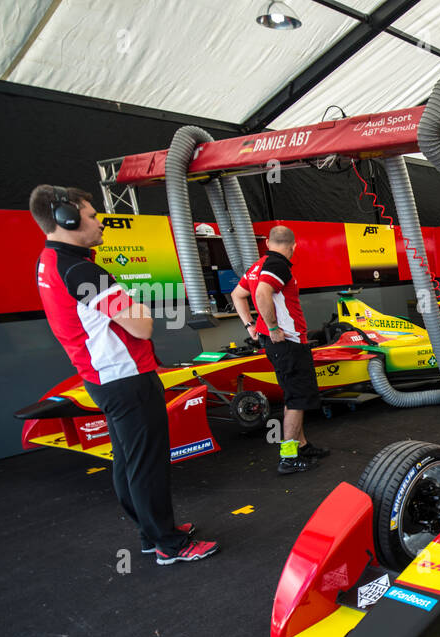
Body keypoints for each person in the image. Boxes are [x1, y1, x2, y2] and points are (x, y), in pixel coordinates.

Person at [29, 185, 218, 564]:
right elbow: (142, 326)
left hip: (105, 377)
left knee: (128, 460)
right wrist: (138, 305)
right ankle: (168, 544)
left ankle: (152, 533)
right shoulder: (80, 269)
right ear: (67, 218)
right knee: (146, 463)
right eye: (91, 215)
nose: (99, 222)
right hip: (125, 378)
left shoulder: (50, 261)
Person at [231, 225, 329, 474]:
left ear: (267, 244)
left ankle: (301, 445)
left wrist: (250, 326)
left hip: (276, 342)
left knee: (293, 395)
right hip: (287, 343)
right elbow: (263, 293)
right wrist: (273, 327)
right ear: (293, 247)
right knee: (296, 399)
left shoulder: (256, 266)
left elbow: (237, 295)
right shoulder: (278, 265)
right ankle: (288, 457)